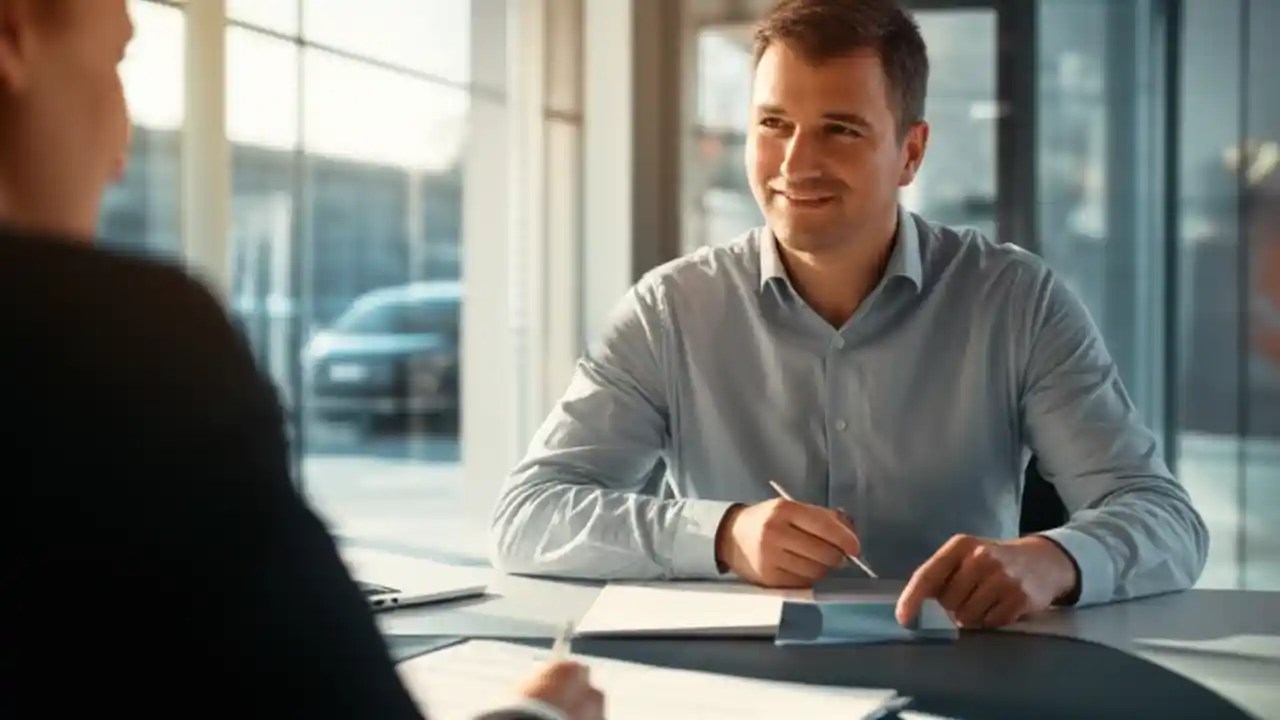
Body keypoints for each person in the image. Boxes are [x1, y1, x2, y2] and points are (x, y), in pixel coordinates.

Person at [490, 0, 1209, 630]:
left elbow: (1165, 519)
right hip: (736, 693)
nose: (795, 163)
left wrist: (1051, 560)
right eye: (774, 123)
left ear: (911, 151)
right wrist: (722, 535)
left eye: (840, 129)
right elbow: (529, 516)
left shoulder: (1017, 301)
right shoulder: (670, 310)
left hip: (961, 679)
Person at [1, 1, 602, 718]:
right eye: (114, 64)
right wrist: (537, 716)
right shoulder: (114, 343)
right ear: (12, 37)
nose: (121, 145)